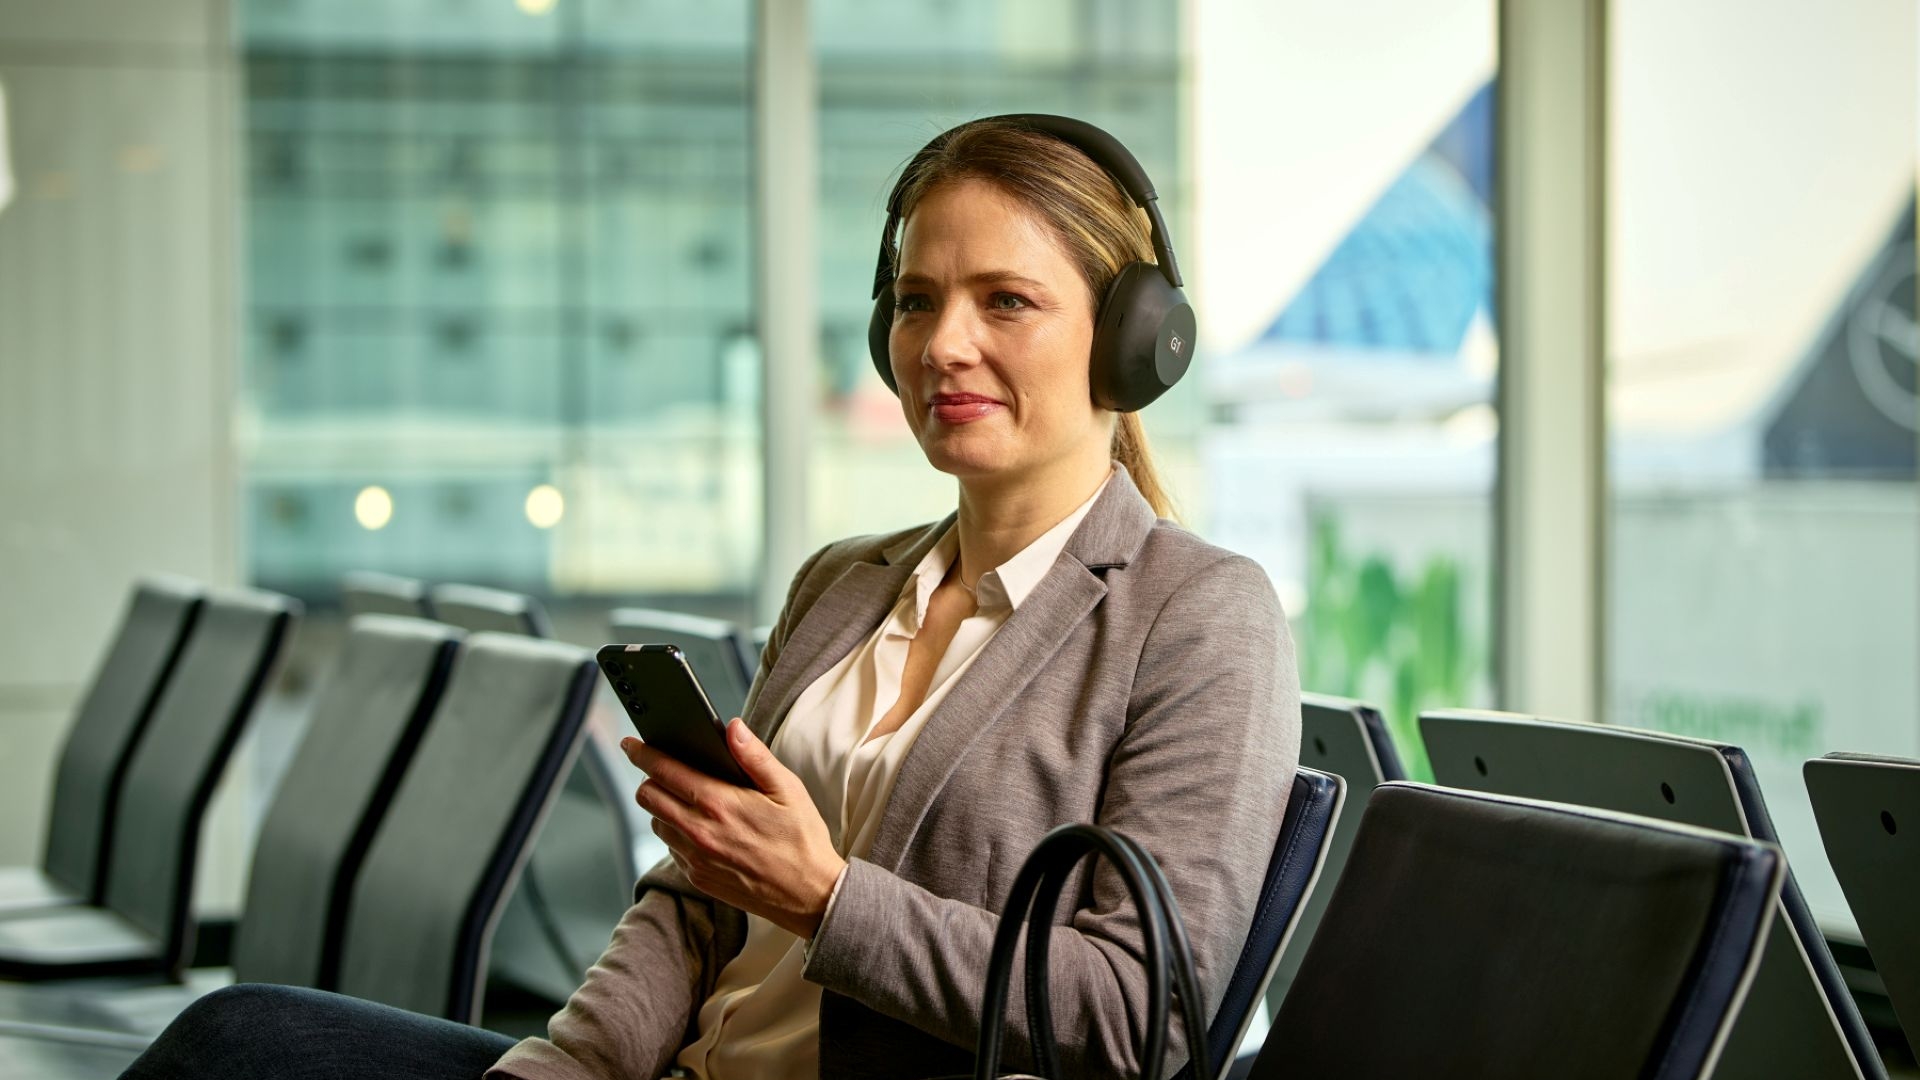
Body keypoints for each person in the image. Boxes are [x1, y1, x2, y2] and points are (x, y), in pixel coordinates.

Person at [121, 114, 1298, 1080]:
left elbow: (1145, 1017)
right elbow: (694, 903)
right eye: (914, 300)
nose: (942, 344)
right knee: (238, 1040)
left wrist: (827, 897)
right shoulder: (846, 584)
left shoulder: (1198, 617)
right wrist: (565, 1072)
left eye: (1005, 301)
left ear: (1136, 339)